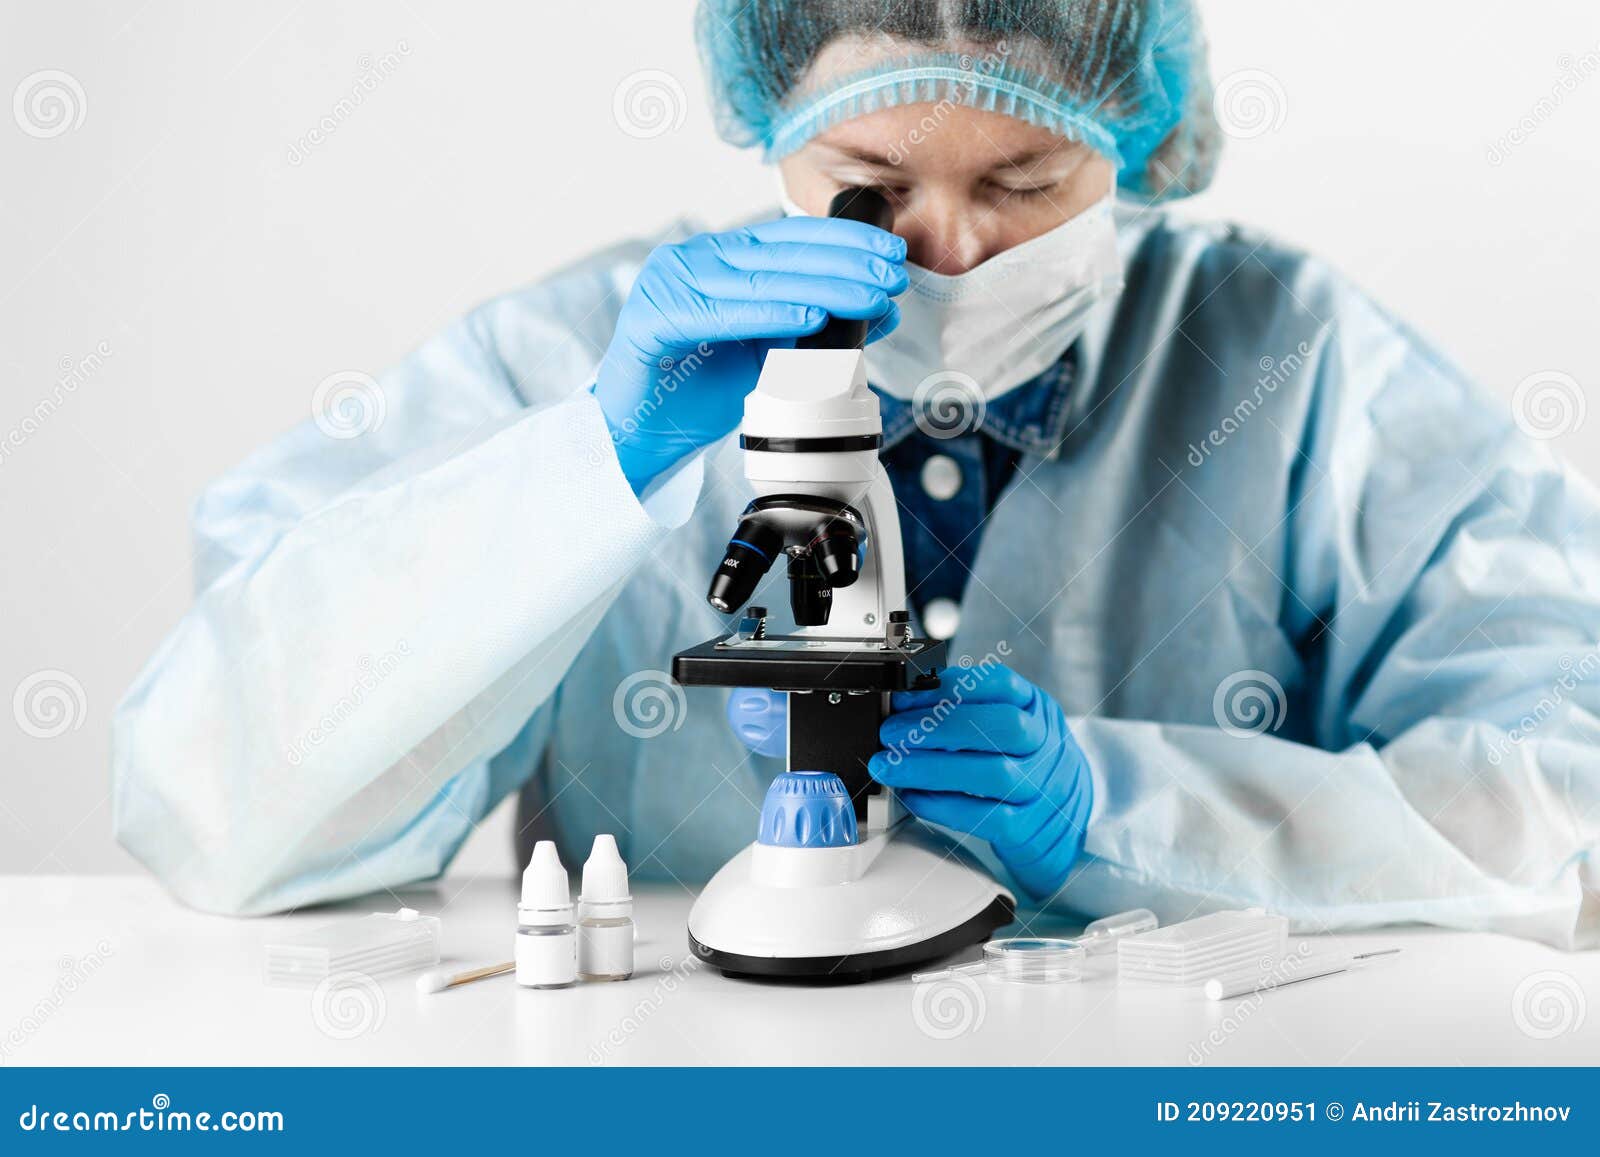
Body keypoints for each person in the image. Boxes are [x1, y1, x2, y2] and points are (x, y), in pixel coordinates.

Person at [112, 0, 1600, 948]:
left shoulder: (1290, 366)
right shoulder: (589, 356)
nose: (945, 249)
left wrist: (1124, 814)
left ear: (1136, 145)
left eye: (1023, 185)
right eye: (870, 191)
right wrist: (586, 466)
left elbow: (1559, 793)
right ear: (774, 128)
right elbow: (211, 799)